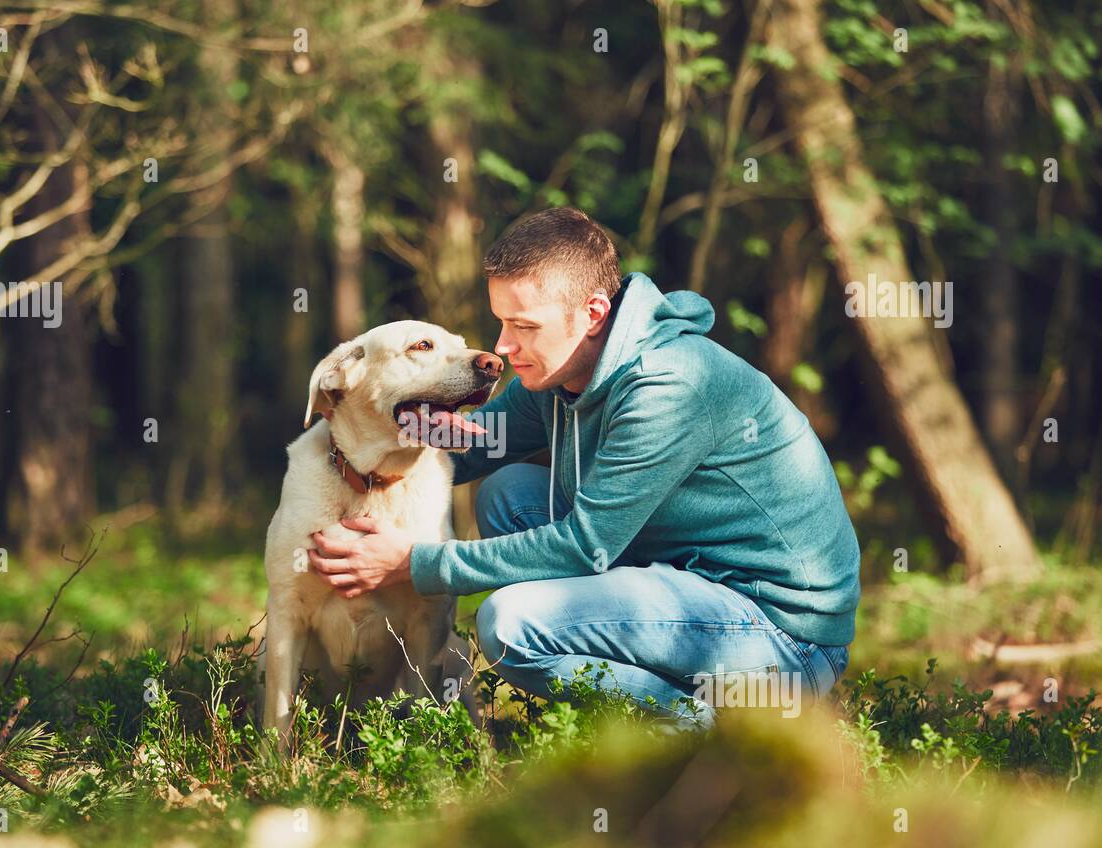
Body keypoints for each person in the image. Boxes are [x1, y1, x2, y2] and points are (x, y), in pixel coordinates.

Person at [307, 207, 859, 728]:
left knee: (511, 623)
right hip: (682, 588)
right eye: (501, 322)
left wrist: (414, 563)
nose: (503, 347)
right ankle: (619, 705)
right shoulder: (558, 377)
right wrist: (352, 436)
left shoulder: (668, 386)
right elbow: (467, 448)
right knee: (507, 492)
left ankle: (697, 731)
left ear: (593, 313)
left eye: (523, 326)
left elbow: (584, 545)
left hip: (781, 635)